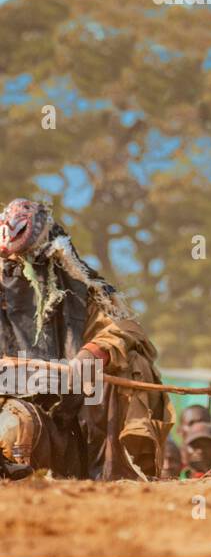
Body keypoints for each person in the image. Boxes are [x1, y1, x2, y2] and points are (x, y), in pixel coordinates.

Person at [0, 199, 173, 478]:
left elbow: (123, 330)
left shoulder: (80, 294)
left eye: (32, 262)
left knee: (132, 363)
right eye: (12, 265)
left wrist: (93, 352)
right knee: (15, 424)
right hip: (14, 406)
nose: (21, 271)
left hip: (73, 409)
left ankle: (114, 476)